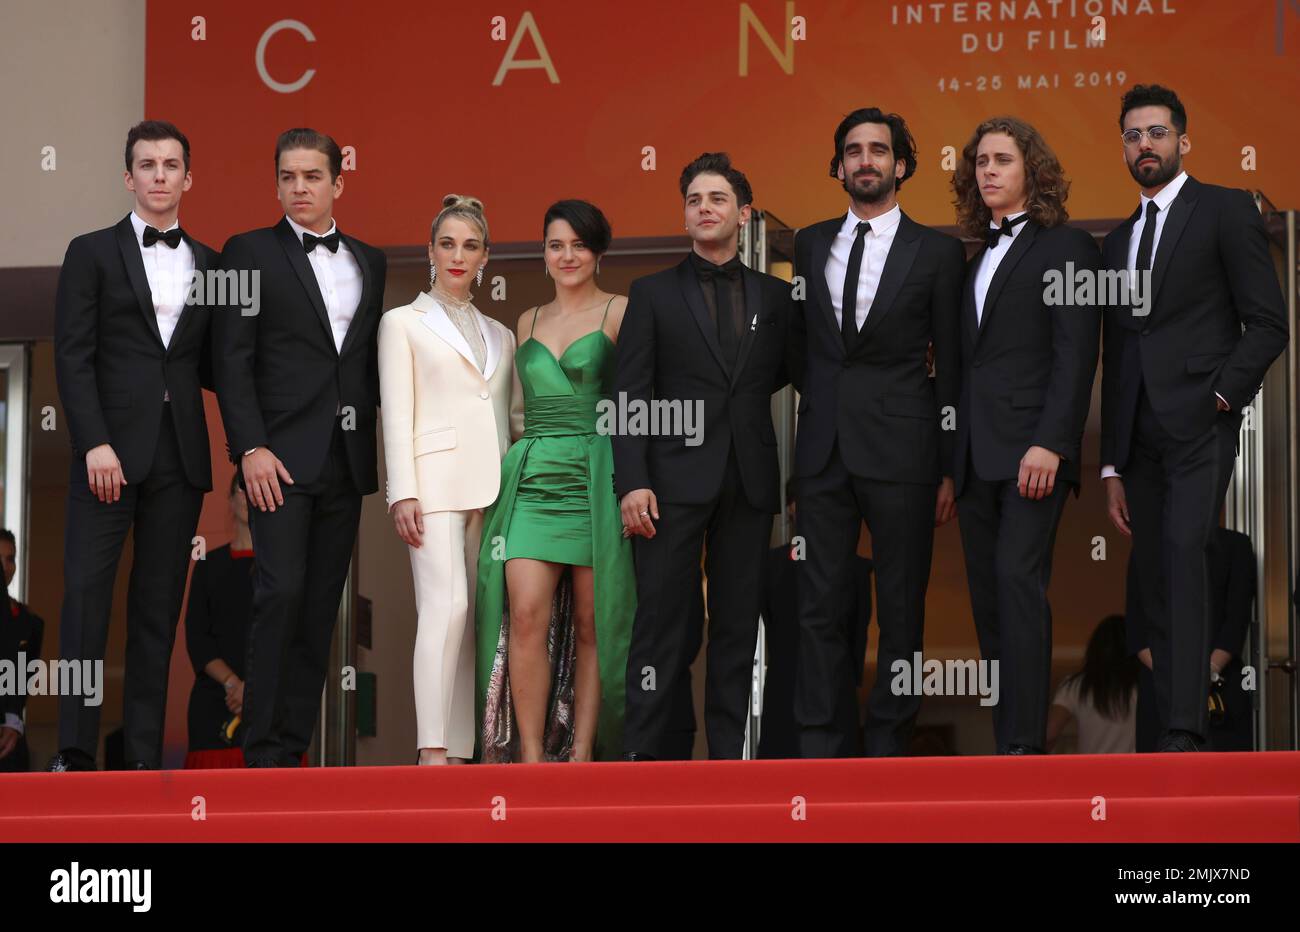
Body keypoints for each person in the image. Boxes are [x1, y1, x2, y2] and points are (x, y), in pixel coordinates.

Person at [1099, 85, 1288, 751]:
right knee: (1152, 571)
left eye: (1155, 132)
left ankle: (1185, 727)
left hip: (1200, 422)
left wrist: (1221, 397)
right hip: (1138, 439)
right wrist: (1112, 462)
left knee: (1183, 557)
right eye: (1132, 136)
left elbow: (1268, 324)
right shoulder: (1116, 239)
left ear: (1183, 141)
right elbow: (1120, 351)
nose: (1143, 145)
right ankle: (1170, 728)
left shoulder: (1226, 210)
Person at [790, 108, 963, 759]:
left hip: (906, 452)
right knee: (818, 605)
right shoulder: (808, 244)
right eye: (854, 151)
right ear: (839, 166)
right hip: (824, 452)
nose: (866, 160)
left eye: (879, 150)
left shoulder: (940, 252)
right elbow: (802, 347)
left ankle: (889, 745)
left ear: (902, 165)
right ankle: (820, 743)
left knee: (901, 610)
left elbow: (952, 365)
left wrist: (949, 465)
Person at [614, 152, 797, 760]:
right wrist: (632, 482)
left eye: (716, 199)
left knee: (738, 626)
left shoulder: (777, 297)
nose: (704, 209)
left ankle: (727, 765)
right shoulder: (652, 293)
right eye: (694, 200)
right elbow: (629, 394)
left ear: (742, 213)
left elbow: (783, 375)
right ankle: (644, 760)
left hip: (748, 480)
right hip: (666, 484)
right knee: (663, 624)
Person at [213, 128, 387, 768]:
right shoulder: (247, 251)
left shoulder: (370, 259)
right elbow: (231, 360)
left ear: (338, 183)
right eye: (288, 177)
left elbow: (364, 366)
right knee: (279, 595)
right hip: (276, 463)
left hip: (345, 462)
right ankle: (260, 751)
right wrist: (248, 448)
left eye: (312, 176)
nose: (299, 188)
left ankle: (290, 751)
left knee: (320, 611)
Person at [49, 120, 218, 772]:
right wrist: (93, 441)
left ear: (186, 177)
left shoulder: (212, 263)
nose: (157, 175)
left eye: (170, 164)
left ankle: (143, 761)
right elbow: (73, 353)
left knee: (157, 614)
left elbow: (217, 363)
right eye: (145, 164)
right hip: (106, 459)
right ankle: (73, 752)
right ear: (128, 177)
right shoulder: (90, 252)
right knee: (86, 602)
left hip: (178, 458)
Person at [950, 116, 1101, 754]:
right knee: (988, 601)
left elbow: (1077, 354)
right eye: (980, 161)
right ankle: (1008, 742)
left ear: (1031, 172)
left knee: (1017, 580)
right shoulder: (975, 256)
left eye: (1002, 160)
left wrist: (1052, 441)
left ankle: (1022, 747)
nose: (988, 170)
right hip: (975, 457)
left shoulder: (1069, 248)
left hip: (1032, 452)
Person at [475, 200, 635, 763]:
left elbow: (635, 399)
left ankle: (584, 751)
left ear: (598, 253)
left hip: (596, 475)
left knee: (594, 622)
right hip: (536, 477)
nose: (567, 256)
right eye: (555, 245)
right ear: (544, 253)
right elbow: (516, 412)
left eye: (579, 245)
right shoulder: (528, 321)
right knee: (523, 615)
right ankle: (533, 754)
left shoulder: (621, 311)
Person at [380, 195, 514, 765]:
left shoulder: (502, 334)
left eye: (471, 245)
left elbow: (512, 416)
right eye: (447, 243)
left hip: (495, 489)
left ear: (486, 257)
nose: (458, 255)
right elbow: (396, 411)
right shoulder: (401, 322)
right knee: (447, 606)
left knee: (477, 613)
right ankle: (431, 747)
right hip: (431, 487)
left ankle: (460, 747)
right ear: (430, 251)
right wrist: (401, 491)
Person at [757, 480, 872, 759]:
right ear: (790, 509)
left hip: (835, 682)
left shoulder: (856, 568)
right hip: (786, 682)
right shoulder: (770, 566)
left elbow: (860, 632)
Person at [1128, 527, 1257, 752]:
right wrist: (1175, 678)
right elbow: (1138, 631)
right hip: (1161, 689)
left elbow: (1236, 621)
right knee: (1161, 778)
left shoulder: (1235, 545)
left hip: (1220, 688)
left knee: (1224, 780)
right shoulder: (1146, 548)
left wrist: (1208, 671)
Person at [183, 474, 256, 767]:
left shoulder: (282, 571)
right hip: (214, 699)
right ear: (230, 499)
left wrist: (254, 689)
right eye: (242, 487)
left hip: (268, 702)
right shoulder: (207, 565)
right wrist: (233, 684)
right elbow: (197, 638)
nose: (249, 497)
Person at [1045, 615, 1138, 754]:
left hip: (1090, 771)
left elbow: (1050, 734)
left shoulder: (1075, 686)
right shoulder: (1144, 687)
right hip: (1135, 772)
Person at [0, 529, 44, 773]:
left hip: (9, 738)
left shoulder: (31, 623)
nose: (4, 566)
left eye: (10, 558)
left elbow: (22, 681)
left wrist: (13, 719)